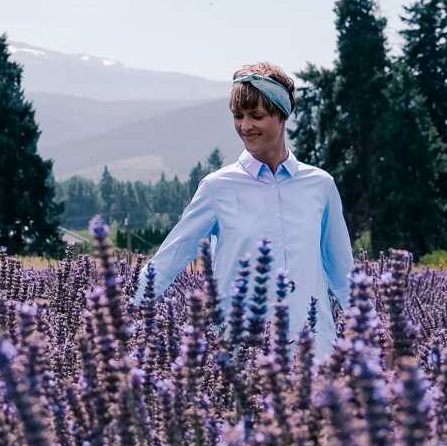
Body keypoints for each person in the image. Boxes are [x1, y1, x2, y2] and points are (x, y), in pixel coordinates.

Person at [132, 62, 353, 357]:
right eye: (238, 116)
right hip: (240, 350)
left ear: (281, 115)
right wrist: (121, 319)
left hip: (312, 348)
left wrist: (377, 332)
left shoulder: (319, 186)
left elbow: (343, 271)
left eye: (256, 116)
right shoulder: (217, 187)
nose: (245, 126)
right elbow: (171, 257)